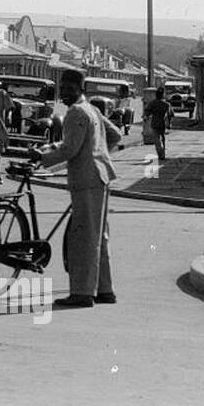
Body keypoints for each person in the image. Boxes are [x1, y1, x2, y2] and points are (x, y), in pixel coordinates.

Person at [29, 68, 124, 308]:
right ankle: (104, 290)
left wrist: (41, 156)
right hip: (100, 178)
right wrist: (98, 154)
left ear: (81, 89)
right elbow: (114, 135)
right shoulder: (92, 109)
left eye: (71, 89)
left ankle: (82, 293)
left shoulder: (76, 112)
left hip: (86, 181)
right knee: (98, 236)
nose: (66, 94)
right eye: (64, 89)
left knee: (82, 237)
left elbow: (69, 149)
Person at [146, 86, 172, 162]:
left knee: (157, 139)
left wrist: (146, 117)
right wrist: (169, 123)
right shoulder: (166, 104)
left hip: (154, 123)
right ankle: (163, 153)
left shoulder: (152, 103)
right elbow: (170, 114)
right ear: (163, 95)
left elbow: (147, 111)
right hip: (162, 123)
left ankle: (160, 153)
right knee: (163, 138)